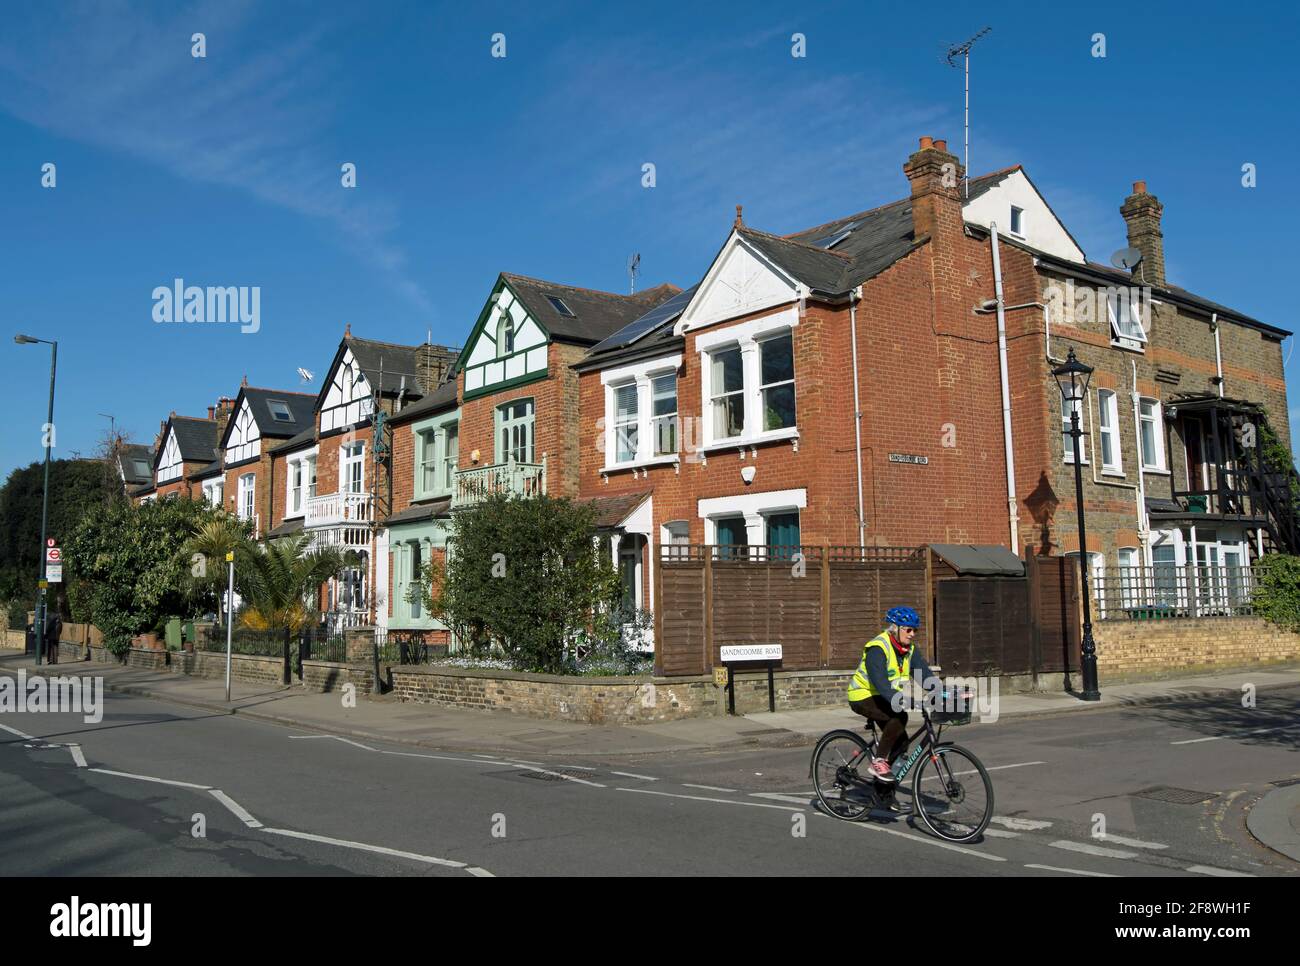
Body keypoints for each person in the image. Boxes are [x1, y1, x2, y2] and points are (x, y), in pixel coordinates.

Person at [845, 606, 936, 783]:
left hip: (883, 697)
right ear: (895, 628)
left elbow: (924, 675)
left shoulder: (909, 650)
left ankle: (883, 789)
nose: (912, 634)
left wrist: (943, 693)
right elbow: (881, 683)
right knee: (899, 717)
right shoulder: (878, 648)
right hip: (862, 696)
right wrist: (904, 700)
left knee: (901, 743)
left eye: (915, 630)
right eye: (908, 629)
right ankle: (878, 762)